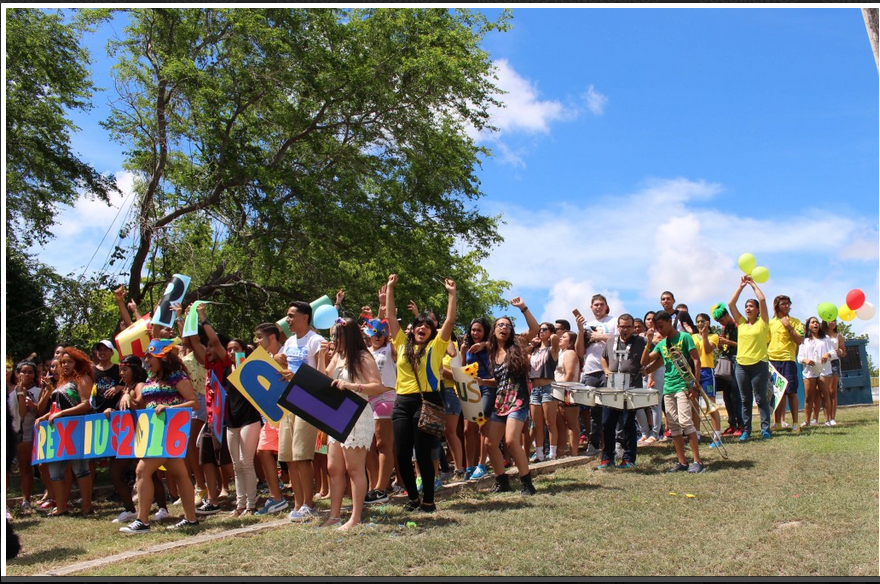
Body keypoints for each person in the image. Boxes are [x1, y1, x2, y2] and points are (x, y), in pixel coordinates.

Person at [385, 273, 457, 512]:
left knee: (423, 455)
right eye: (419, 325)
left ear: (431, 332)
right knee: (402, 454)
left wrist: (452, 295)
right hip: (402, 402)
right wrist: (390, 288)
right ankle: (413, 498)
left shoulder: (436, 348)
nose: (423, 328)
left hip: (426, 402)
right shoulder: (401, 344)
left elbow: (448, 321)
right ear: (413, 330)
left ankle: (429, 500)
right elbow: (391, 316)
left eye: (427, 326)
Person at [118, 339, 201, 534]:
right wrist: (127, 396)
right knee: (180, 474)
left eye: (149, 356)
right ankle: (191, 519)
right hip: (154, 432)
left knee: (142, 470)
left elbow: (193, 403)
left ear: (162, 357)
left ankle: (142, 521)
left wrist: (169, 408)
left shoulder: (177, 377)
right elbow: (143, 404)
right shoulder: (150, 378)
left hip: (169, 432)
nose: (146, 360)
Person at [322, 317, 385, 530]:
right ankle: (334, 515)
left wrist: (351, 386)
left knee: (354, 468)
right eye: (331, 336)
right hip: (336, 415)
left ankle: (355, 517)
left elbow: (377, 386)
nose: (332, 340)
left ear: (346, 336)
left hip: (356, 413)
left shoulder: (362, 356)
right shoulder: (337, 357)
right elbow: (325, 379)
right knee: (333, 467)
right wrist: (322, 356)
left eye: (336, 335)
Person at [478, 297, 540, 496]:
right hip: (501, 402)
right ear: (494, 331)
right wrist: (481, 381)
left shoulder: (518, 345)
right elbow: (499, 382)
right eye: (500, 325)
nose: (504, 328)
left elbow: (535, 328)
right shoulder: (492, 353)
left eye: (508, 325)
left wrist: (523, 307)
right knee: (490, 443)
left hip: (518, 401)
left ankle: (527, 483)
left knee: (512, 441)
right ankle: (502, 481)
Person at [278, 300, 327, 522]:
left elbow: (321, 377)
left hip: (307, 402)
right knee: (288, 456)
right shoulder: (288, 342)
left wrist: (294, 377)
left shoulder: (316, 341)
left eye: (291, 315)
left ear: (305, 317)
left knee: (302, 455)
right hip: (287, 402)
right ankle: (298, 504)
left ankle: (309, 503)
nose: (288, 320)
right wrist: (277, 361)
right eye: (287, 316)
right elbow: (281, 370)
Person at [641, 311, 705, 473]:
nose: (659, 331)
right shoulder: (662, 344)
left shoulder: (684, 337)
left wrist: (694, 386)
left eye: (661, 326)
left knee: (685, 422)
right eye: (657, 328)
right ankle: (682, 462)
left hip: (683, 386)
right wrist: (649, 342)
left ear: (670, 321)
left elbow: (696, 360)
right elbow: (645, 361)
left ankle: (697, 461)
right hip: (668, 388)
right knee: (675, 426)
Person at [35, 347, 95, 516]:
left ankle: (87, 507)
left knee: (80, 468)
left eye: (69, 361)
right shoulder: (61, 382)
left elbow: (86, 404)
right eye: (63, 362)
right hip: (57, 431)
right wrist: (45, 416)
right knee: (55, 470)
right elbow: (57, 407)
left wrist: (62, 414)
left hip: (76, 428)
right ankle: (61, 507)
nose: (65, 365)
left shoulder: (82, 379)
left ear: (77, 362)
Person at [727, 275, 772, 441]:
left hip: (759, 365)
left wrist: (752, 283)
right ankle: (746, 431)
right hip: (741, 366)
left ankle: (765, 429)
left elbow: (763, 299)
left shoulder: (763, 322)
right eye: (746, 306)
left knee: (761, 399)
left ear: (758, 310)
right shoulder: (741, 323)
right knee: (745, 400)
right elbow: (731, 304)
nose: (748, 308)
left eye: (751, 306)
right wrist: (740, 286)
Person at [364, 286, 398, 503]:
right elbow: (375, 324)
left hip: (386, 397)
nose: (377, 336)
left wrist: (384, 305)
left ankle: (381, 488)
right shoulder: (365, 352)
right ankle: (374, 486)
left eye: (381, 333)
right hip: (365, 401)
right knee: (367, 447)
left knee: (383, 443)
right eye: (373, 333)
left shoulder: (391, 349)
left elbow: (389, 324)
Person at [251, 323, 289, 516]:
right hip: (270, 416)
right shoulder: (262, 359)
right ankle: (276, 497)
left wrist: (285, 365)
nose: (257, 341)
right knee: (263, 451)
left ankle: (302, 500)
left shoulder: (286, 353)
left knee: (292, 457)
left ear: (272, 337)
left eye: (259, 337)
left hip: (288, 414)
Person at [599, 314, 647, 469]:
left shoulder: (640, 341)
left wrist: (648, 369)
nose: (625, 329)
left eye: (628, 326)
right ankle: (607, 458)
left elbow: (656, 356)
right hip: (612, 389)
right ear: (617, 326)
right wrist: (606, 371)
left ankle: (629, 458)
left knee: (628, 424)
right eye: (622, 326)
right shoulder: (611, 341)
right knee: (608, 424)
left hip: (631, 388)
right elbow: (603, 358)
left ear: (634, 327)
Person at [223, 338, 263, 517]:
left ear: (243, 350)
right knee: (236, 465)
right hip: (232, 421)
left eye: (235, 349)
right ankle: (240, 505)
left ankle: (251, 505)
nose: (231, 352)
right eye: (229, 350)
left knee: (246, 462)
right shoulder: (226, 371)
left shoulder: (250, 369)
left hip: (250, 419)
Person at [107, 355, 146, 524]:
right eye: (120, 370)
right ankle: (130, 509)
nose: (121, 373)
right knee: (116, 473)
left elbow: (142, 407)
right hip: (126, 438)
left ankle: (162, 508)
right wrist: (111, 410)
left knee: (147, 473)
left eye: (125, 369)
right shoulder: (125, 388)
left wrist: (131, 398)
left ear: (134, 370)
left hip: (140, 435)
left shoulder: (139, 386)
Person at [580, 294, 616, 457]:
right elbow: (580, 350)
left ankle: (614, 444)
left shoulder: (614, 321)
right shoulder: (587, 325)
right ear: (591, 307)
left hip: (610, 369)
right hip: (590, 370)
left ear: (606, 306)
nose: (598, 307)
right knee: (594, 412)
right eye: (595, 304)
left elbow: (621, 339)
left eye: (601, 304)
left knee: (612, 409)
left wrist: (600, 336)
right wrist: (581, 331)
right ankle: (594, 444)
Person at [460, 317, 494, 481]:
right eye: (473, 330)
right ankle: (470, 466)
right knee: (468, 430)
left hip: (487, 386)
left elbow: (506, 343)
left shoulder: (491, 346)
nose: (475, 333)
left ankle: (482, 465)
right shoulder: (464, 346)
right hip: (470, 388)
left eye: (479, 330)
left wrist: (484, 344)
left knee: (483, 427)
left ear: (485, 332)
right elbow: (462, 368)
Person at [768, 295, 804, 431]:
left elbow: (800, 340)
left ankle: (795, 423)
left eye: (788, 304)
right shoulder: (770, 323)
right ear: (777, 306)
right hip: (772, 360)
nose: (786, 306)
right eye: (783, 304)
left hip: (788, 359)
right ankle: (777, 423)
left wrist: (789, 327)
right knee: (776, 393)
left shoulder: (795, 321)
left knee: (791, 392)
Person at [10, 361, 41, 510]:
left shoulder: (39, 391)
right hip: (16, 433)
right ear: (18, 374)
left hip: (32, 433)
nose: (27, 375)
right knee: (19, 468)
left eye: (30, 372)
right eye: (23, 372)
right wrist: (20, 391)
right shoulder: (11, 392)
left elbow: (35, 411)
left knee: (29, 468)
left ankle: (26, 499)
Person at [528, 322, 559, 462]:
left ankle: (552, 454)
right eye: (539, 330)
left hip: (548, 387)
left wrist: (550, 335)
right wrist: (532, 343)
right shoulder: (533, 350)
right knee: (537, 424)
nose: (541, 332)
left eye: (544, 329)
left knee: (550, 422)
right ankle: (540, 454)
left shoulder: (552, 349)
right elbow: (522, 351)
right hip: (535, 389)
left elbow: (555, 340)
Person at [691, 313, 724, 447]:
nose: (700, 324)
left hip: (707, 372)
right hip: (694, 372)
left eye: (702, 321)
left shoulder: (714, 336)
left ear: (708, 323)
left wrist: (704, 335)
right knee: (694, 405)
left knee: (711, 404)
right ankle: (697, 435)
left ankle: (717, 436)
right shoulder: (692, 337)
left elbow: (708, 349)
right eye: (698, 322)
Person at [712, 304, 744, 436]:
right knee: (727, 395)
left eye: (722, 320)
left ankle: (741, 425)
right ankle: (732, 424)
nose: (721, 323)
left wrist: (728, 342)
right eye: (719, 322)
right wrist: (720, 345)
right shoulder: (726, 328)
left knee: (736, 394)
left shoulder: (738, 325)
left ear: (727, 315)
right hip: (727, 360)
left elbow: (744, 345)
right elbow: (724, 348)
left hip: (737, 359)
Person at [554, 324, 583, 458]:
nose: (560, 338)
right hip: (558, 392)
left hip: (568, 392)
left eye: (564, 337)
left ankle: (574, 453)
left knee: (571, 423)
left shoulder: (570, 353)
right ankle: (560, 453)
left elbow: (569, 375)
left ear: (570, 341)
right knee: (560, 424)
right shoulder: (560, 353)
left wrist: (562, 393)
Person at [799, 317, 834, 427]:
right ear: (808, 325)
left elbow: (833, 352)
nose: (815, 324)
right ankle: (807, 421)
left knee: (825, 395)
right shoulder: (805, 341)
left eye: (817, 322)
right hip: (809, 371)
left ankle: (827, 420)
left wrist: (827, 355)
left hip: (824, 369)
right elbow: (800, 357)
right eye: (812, 322)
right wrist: (806, 360)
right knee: (809, 397)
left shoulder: (826, 338)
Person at [821, 320, 846, 426]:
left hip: (834, 362)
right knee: (824, 391)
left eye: (834, 321)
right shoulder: (821, 335)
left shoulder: (838, 336)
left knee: (832, 391)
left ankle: (832, 418)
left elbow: (843, 352)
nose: (832, 323)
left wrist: (839, 352)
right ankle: (825, 417)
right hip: (823, 362)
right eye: (830, 321)